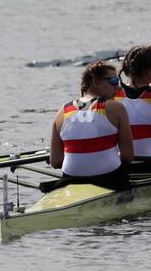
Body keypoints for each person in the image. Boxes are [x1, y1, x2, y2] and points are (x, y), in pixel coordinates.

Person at [47, 61, 135, 189]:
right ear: (96, 82)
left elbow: (55, 162)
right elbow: (128, 156)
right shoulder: (115, 107)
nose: (118, 87)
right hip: (109, 179)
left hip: (70, 180)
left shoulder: (63, 111)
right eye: (114, 81)